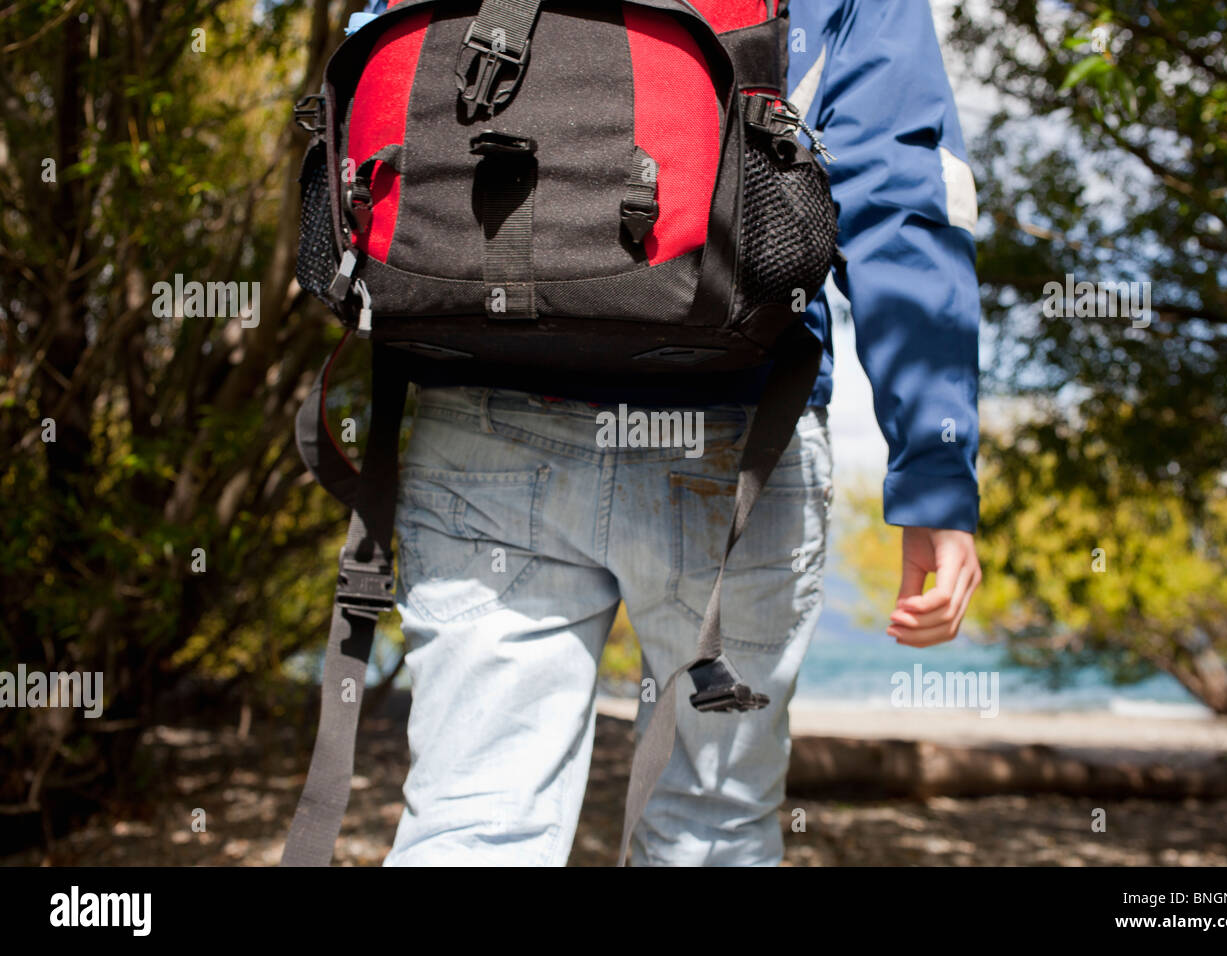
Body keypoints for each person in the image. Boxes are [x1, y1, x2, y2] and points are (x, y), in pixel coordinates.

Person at [355, 0, 982, 866]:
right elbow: (901, 192)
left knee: (471, 822)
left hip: (483, 407)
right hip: (737, 427)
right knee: (710, 831)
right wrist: (937, 472)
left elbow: (382, 107)